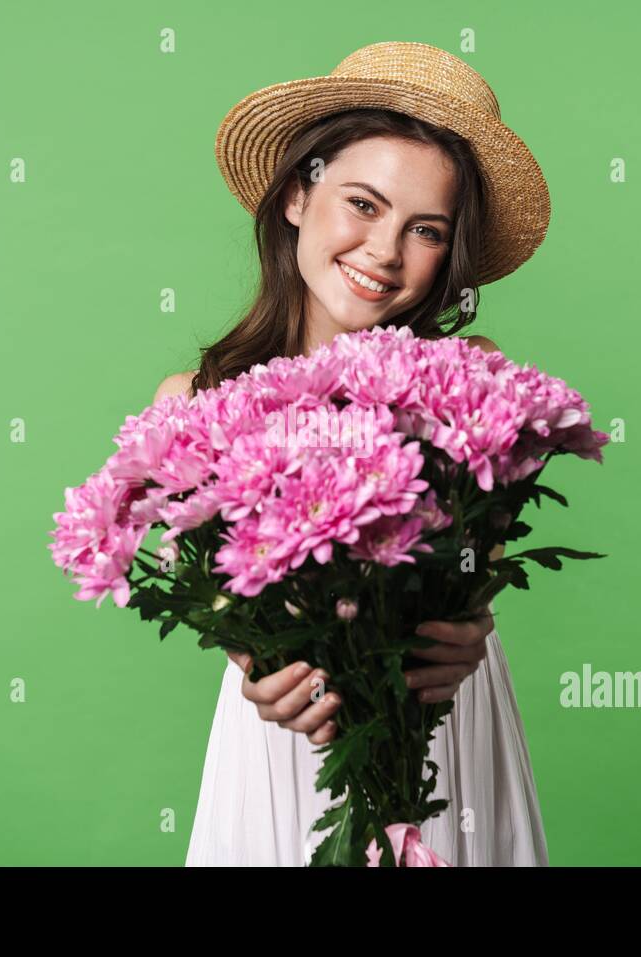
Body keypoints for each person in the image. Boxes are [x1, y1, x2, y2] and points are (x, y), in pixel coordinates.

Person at [157, 41, 553, 866]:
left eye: (425, 230)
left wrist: (473, 620)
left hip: (437, 723)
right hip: (285, 738)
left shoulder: (469, 382)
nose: (384, 251)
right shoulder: (195, 403)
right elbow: (222, 596)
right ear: (300, 193)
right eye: (363, 204)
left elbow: (482, 565)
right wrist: (254, 653)